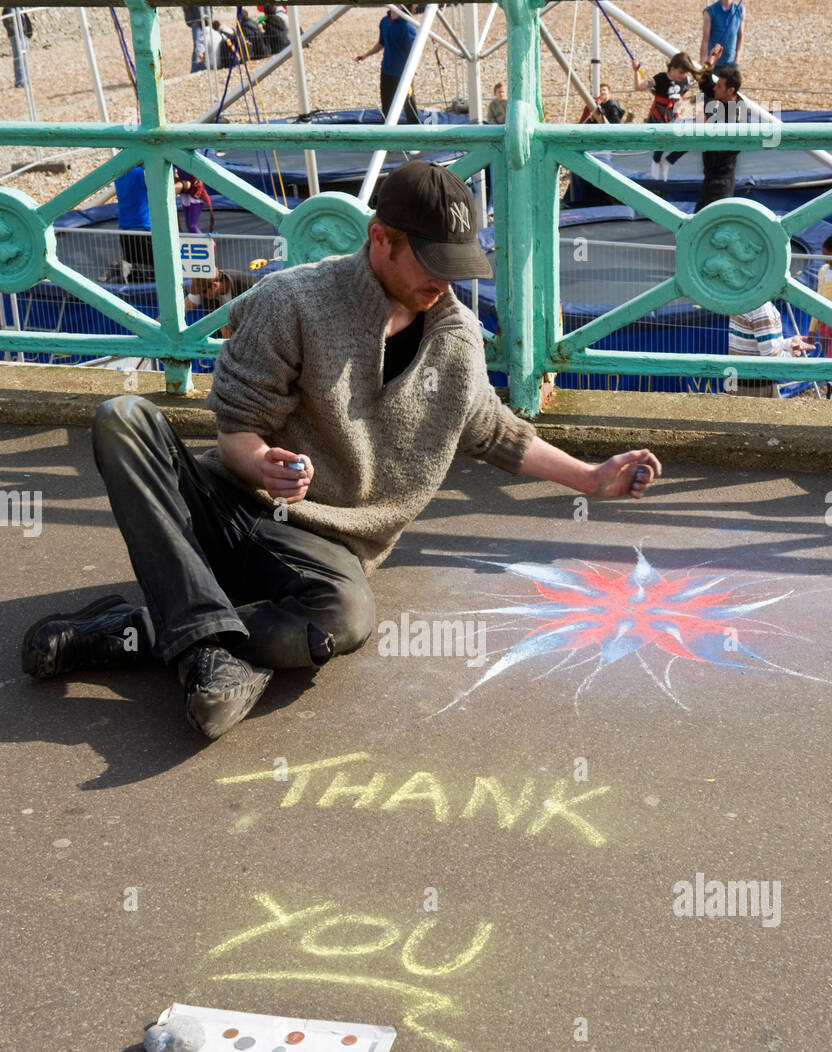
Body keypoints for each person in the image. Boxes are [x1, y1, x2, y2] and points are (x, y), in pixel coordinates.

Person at [22, 162, 660, 740]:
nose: (445, 280)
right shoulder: (292, 301)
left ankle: (145, 632)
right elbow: (237, 432)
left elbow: (490, 431)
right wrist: (262, 466)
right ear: (382, 239)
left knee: (346, 619)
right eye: (431, 260)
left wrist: (589, 479)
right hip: (229, 508)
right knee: (122, 417)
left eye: (457, 263)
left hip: (320, 552)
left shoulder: (457, 339)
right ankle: (206, 654)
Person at [633, 51, 703, 180]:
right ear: (672, 68)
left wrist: (712, 58)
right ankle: (656, 161)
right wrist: (636, 70)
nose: (683, 76)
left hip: (673, 118)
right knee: (663, 137)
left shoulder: (685, 80)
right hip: (657, 118)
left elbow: (703, 73)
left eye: (685, 73)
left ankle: (668, 161)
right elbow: (638, 87)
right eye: (681, 73)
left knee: (691, 140)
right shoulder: (660, 78)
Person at [728, 298, 814, 397]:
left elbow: (758, 341)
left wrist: (789, 343)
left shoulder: (743, 300)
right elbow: (772, 360)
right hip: (757, 387)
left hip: (740, 381)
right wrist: (793, 355)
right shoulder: (762, 308)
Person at [356, 7, 421, 125]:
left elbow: (413, 54)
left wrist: (413, 76)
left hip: (403, 74)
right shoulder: (384, 21)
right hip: (386, 71)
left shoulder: (407, 27)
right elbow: (381, 43)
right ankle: (388, 135)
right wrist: (365, 55)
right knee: (386, 108)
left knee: (409, 108)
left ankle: (417, 134)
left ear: (403, 5)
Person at [695, 64, 746, 211]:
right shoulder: (725, 99)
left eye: (719, 86)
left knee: (709, 222)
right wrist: (710, 63)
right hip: (710, 176)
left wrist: (706, 132)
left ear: (730, 90)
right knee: (699, 223)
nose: (715, 88)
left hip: (721, 180)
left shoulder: (736, 114)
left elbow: (731, 147)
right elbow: (705, 84)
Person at [184, 267, 260, 337]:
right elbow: (182, 308)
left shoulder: (248, 285)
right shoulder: (204, 288)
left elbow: (260, 313)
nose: (201, 295)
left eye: (203, 293)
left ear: (215, 286)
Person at [115, 165, 154, 283]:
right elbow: (160, 190)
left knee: (134, 269)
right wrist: (184, 185)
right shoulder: (142, 173)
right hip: (143, 226)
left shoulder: (119, 172)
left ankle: (122, 268)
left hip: (124, 228)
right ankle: (119, 267)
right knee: (158, 267)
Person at [700, 0, 745, 70]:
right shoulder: (709, 12)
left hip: (731, 63)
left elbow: (740, 36)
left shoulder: (740, 9)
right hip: (713, 64)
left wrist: (737, 60)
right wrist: (702, 64)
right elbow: (705, 40)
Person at [174, 169, 214, 235]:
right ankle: (203, 242)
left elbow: (196, 184)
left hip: (195, 195)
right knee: (189, 225)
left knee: (192, 225)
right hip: (185, 194)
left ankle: (206, 242)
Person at [3, 5, 32, 89]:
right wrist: (15, 32)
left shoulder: (20, 8)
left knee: (24, 57)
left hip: (24, 35)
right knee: (18, 57)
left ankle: (25, 79)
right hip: (16, 35)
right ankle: (19, 81)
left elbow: (26, 20)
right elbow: (7, 22)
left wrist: (28, 32)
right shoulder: (8, 9)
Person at [183, 5, 207, 75]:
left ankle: (202, 66)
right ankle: (194, 69)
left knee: (204, 44)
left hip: (205, 21)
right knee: (197, 45)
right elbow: (186, 6)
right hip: (196, 22)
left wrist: (209, 17)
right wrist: (192, 21)